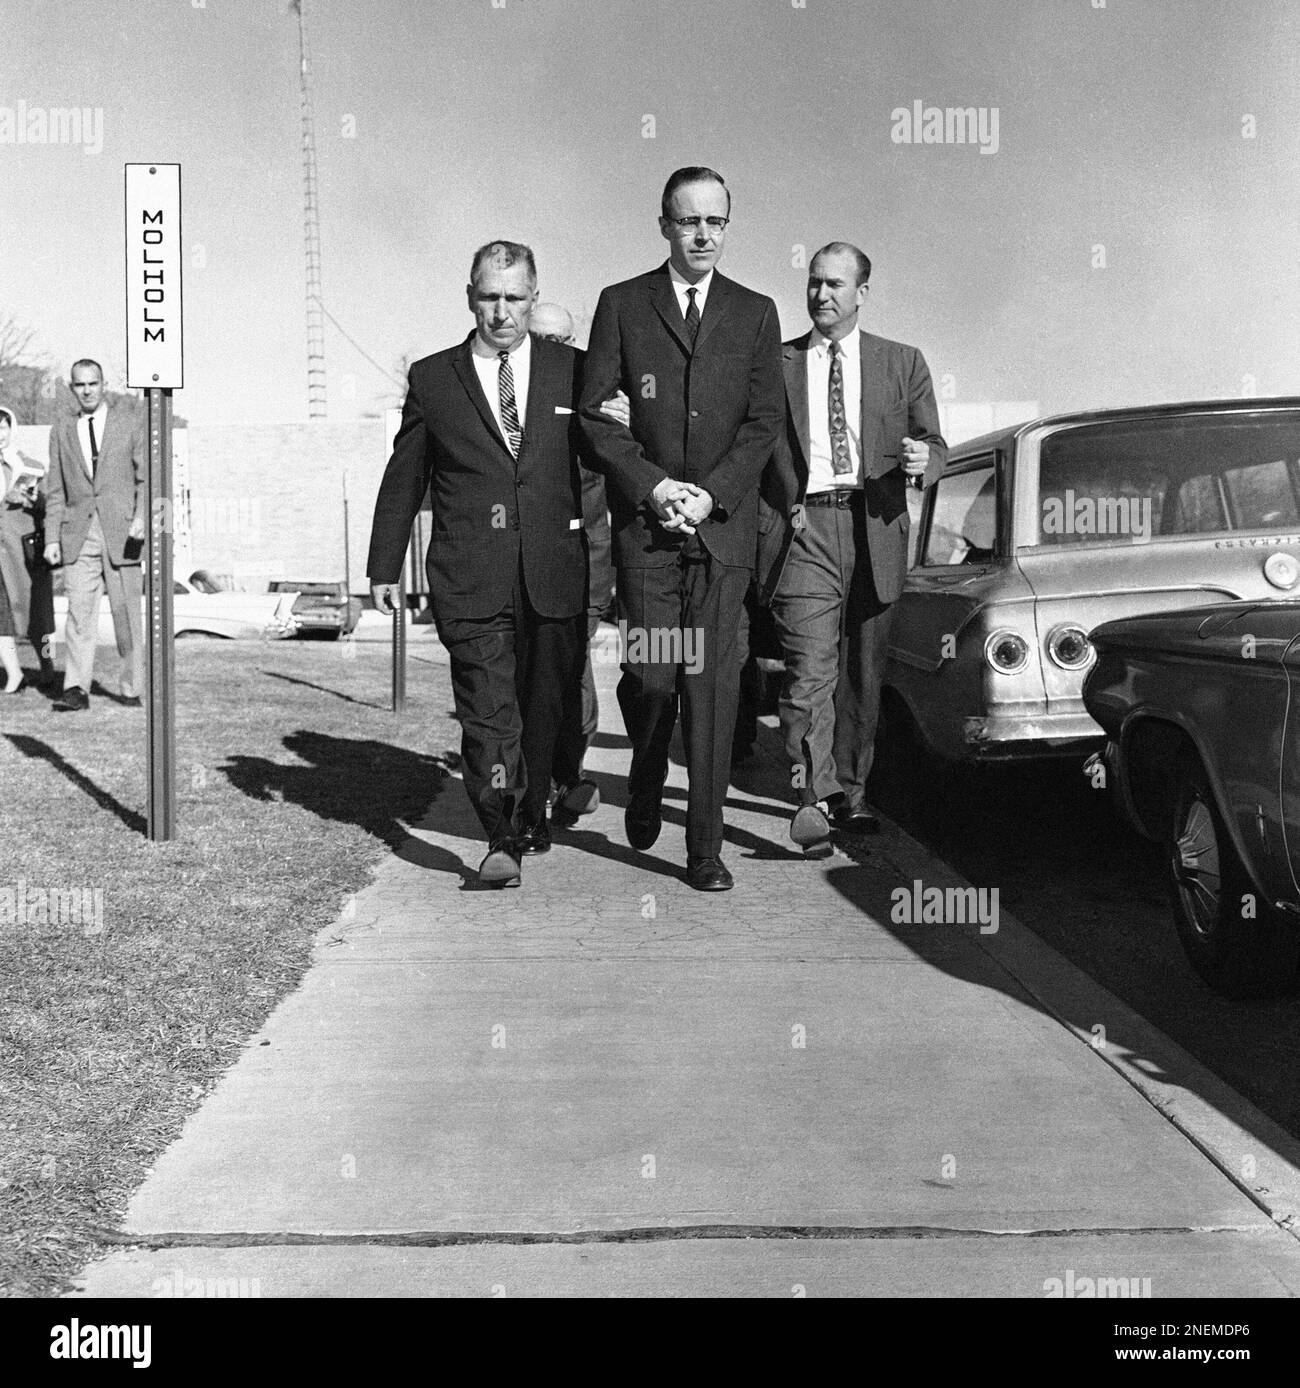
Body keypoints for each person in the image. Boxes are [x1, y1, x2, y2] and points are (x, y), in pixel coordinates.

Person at [579, 166, 784, 892]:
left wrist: (712, 497)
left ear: (727, 226)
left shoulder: (756, 312)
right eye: (689, 220)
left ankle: (703, 847)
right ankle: (643, 771)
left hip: (720, 535)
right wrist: (656, 485)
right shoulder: (622, 305)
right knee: (657, 678)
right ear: (664, 224)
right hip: (650, 534)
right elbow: (597, 414)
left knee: (713, 687)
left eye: (716, 222)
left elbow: (763, 425)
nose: (703, 235)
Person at [367, 242, 591, 888]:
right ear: (470, 297)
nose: (502, 313)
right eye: (489, 297)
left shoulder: (573, 371)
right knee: (488, 712)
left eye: (515, 298)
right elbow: (405, 475)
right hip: (470, 576)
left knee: (543, 707)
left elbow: (612, 452)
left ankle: (535, 802)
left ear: (534, 296)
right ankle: (502, 831)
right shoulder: (435, 378)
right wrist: (385, 564)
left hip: (553, 571)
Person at [757, 242, 947, 858]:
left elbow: (936, 445)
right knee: (809, 669)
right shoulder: (775, 362)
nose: (822, 295)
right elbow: (755, 447)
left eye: (836, 284)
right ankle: (811, 798)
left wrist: (926, 460)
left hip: (876, 528)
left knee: (863, 676)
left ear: (862, 293)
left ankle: (851, 795)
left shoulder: (903, 362)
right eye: (814, 283)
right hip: (806, 528)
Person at [530, 301, 615, 826]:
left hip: (585, 561)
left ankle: (568, 774)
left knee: (572, 670)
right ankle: (539, 784)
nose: (551, 352)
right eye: (542, 340)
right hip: (525, 562)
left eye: (561, 341)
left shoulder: (595, 392)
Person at [43, 360, 146, 711]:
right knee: (79, 614)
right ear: (71, 388)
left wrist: (142, 517)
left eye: (93, 383)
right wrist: (52, 538)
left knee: (127, 613)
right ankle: (75, 688)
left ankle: (132, 687)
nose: (87, 390)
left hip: (123, 533)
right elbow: (55, 488)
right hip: (78, 533)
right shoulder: (61, 430)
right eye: (79, 385)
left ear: (104, 385)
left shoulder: (130, 423)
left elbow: (146, 477)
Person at [0, 405, 57, 690]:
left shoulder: (32, 466)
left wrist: (32, 500)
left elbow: (51, 504)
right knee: (0, 616)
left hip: (25, 551)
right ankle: (14, 673)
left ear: (12, 430)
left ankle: (48, 666)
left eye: (3, 427)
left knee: (39, 615)